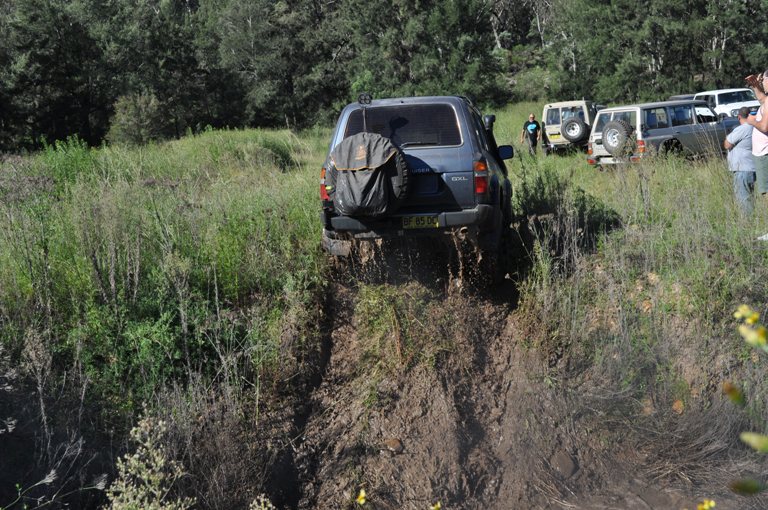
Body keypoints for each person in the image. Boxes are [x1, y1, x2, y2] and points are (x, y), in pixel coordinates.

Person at [724, 107, 756, 215]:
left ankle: (748, 223)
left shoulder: (743, 129)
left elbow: (727, 144)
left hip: (742, 169)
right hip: (751, 167)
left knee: (744, 200)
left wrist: (729, 135)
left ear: (739, 117)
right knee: (750, 197)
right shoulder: (754, 128)